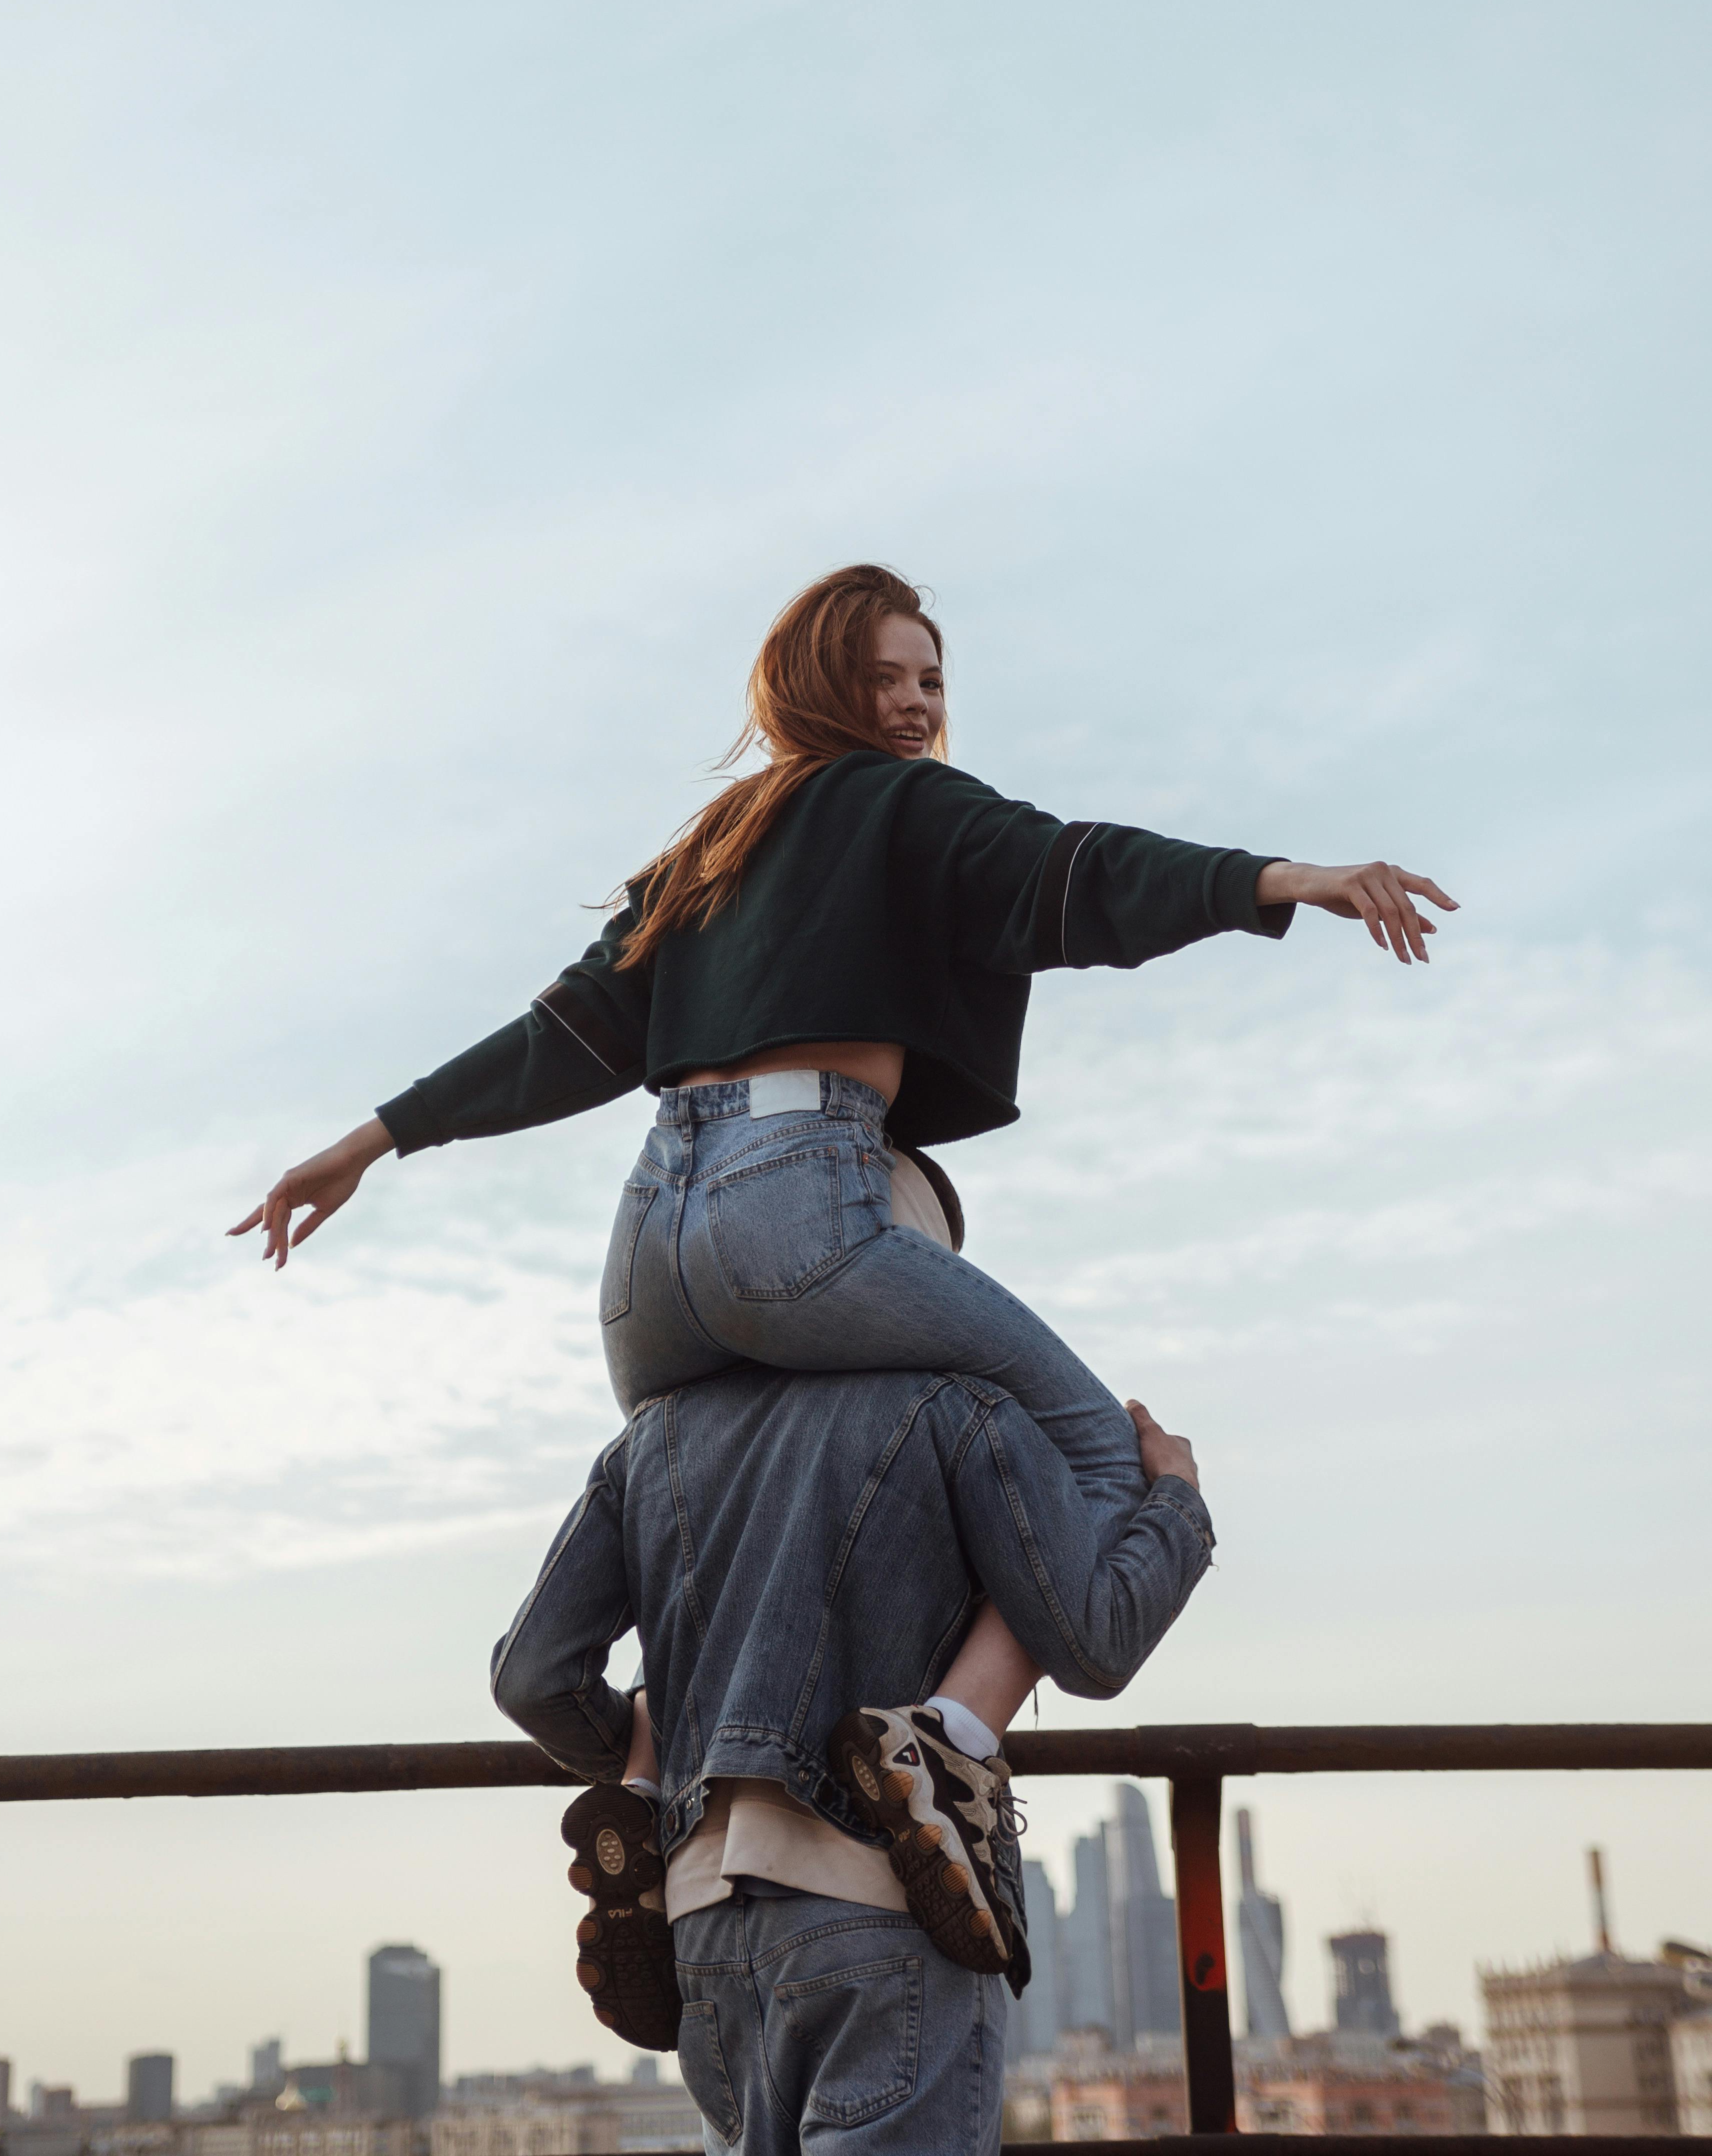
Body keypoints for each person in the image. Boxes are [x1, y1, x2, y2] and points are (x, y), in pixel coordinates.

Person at [231, 562, 1455, 1965]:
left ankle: (646, 1785)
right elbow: (1081, 877)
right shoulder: (906, 806)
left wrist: (374, 1141)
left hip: (648, 1253)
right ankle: (944, 1742)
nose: (920, 704)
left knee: (718, 1490)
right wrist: (1287, 880)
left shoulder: (712, 849)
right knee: (1107, 1468)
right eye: (891, 676)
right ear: (824, 680)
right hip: (795, 1204)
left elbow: (565, 1035)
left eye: (933, 679)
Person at [491, 1356, 1213, 2155]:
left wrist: (638, 1749)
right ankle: (940, 1748)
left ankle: (646, 1784)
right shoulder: (954, 1407)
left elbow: (532, 1677)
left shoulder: (650, 1439)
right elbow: (1094, 1634)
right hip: (883, 1889)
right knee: (1065, 1527)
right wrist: (1176, 1498)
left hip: (699, 1918)